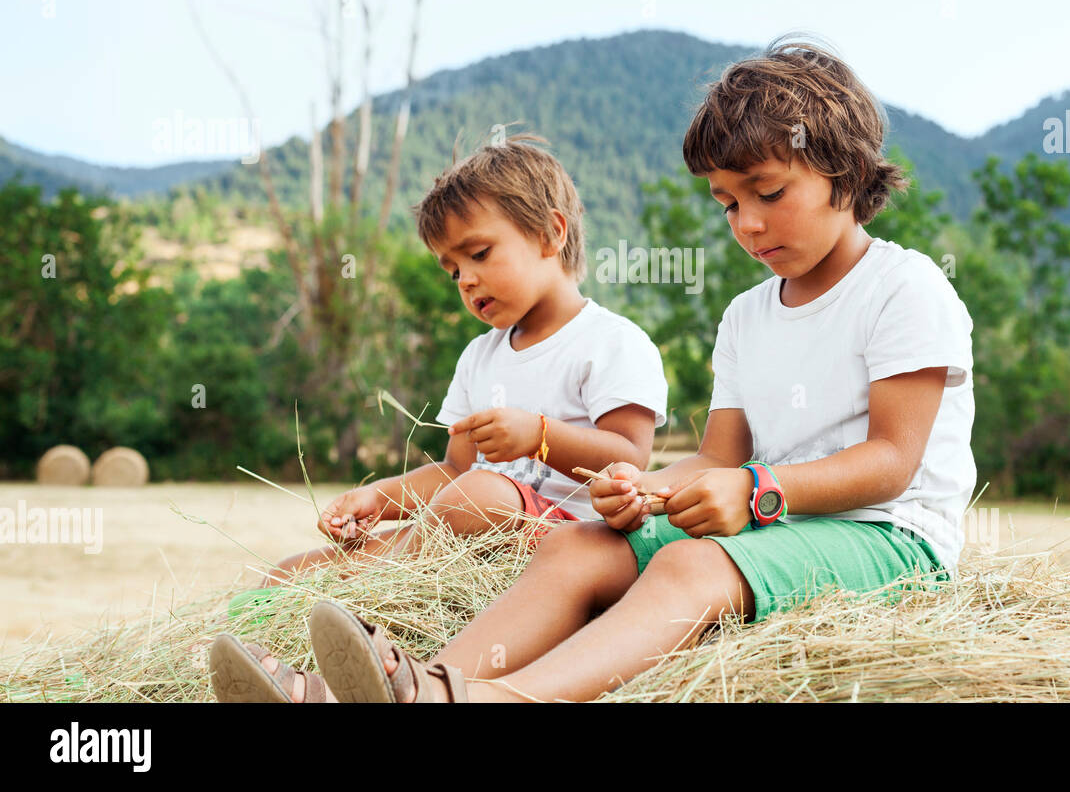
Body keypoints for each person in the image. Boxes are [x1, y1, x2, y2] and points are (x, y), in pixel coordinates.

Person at [213, 36, 975, 703]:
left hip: (888, 536)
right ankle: (422, 687)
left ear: (843, 168)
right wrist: (645, 489)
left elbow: (891, 463)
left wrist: (758, 491)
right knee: (576, 546)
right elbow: (718, 455)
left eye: (768, 194)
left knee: (688, 568)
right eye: (725, 205)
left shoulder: (903, 288)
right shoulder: (747, 317)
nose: (746, 224)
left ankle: (495, 700)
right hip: (776, 525)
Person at [210, 132, 667, 703]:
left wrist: (541, 436)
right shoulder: (480, 356)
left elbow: (631, 457)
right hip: (462, 530)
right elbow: (452, 472)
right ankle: (273, 667)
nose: (466, 280)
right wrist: (378, 498)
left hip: (568, 537)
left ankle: (385, 653)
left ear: (552, 232)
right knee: (289, 571)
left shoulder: (612, 343)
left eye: (479, 255)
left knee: (485, 493)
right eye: (451, 270)